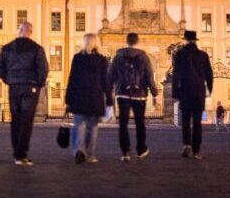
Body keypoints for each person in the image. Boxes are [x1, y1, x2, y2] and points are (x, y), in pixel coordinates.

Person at [0, 21, 48, 166]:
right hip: (30, 86)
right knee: (26, 120)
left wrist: (9, 79)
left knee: (16, 119)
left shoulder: (6, 48)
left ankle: (17, 153)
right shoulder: (37, 49)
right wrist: (38, 83)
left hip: (14, 86)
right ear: (30, 32)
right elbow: (43, 69)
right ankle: (21, 154)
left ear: (19, 31)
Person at [108, 32, 159, 161]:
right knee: (140, 123)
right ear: (137, 41)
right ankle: (141, 149)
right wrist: (154, 93)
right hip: (139, 94)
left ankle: (125, 152)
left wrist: (110, 90)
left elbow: (111, 76)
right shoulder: (144, 57)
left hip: (122, 93)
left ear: (126, 41)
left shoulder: (118, 56)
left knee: (123, 124)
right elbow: (149, 76)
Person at [65, 33, 113, 164]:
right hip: (95, 98)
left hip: (79, 97)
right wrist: (109, 99)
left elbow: (72, 80)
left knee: (78, 126)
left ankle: (78, 151)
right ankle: (90, 154)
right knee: (92, 128)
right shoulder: (102, 60)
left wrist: (68, 99)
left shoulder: (77, 58)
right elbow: (105, 82)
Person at [172, 30, 213, 160]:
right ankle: (196, 151)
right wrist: (208, 90)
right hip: (198, 92)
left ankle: (186, 145)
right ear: (195, 41)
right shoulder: (203, 55)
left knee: (185, 120)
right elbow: (209, 75)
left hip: (185, 91)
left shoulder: (180, 54)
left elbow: (176, 74)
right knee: (197, 122)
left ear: (186, 40)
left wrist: (175, 91)